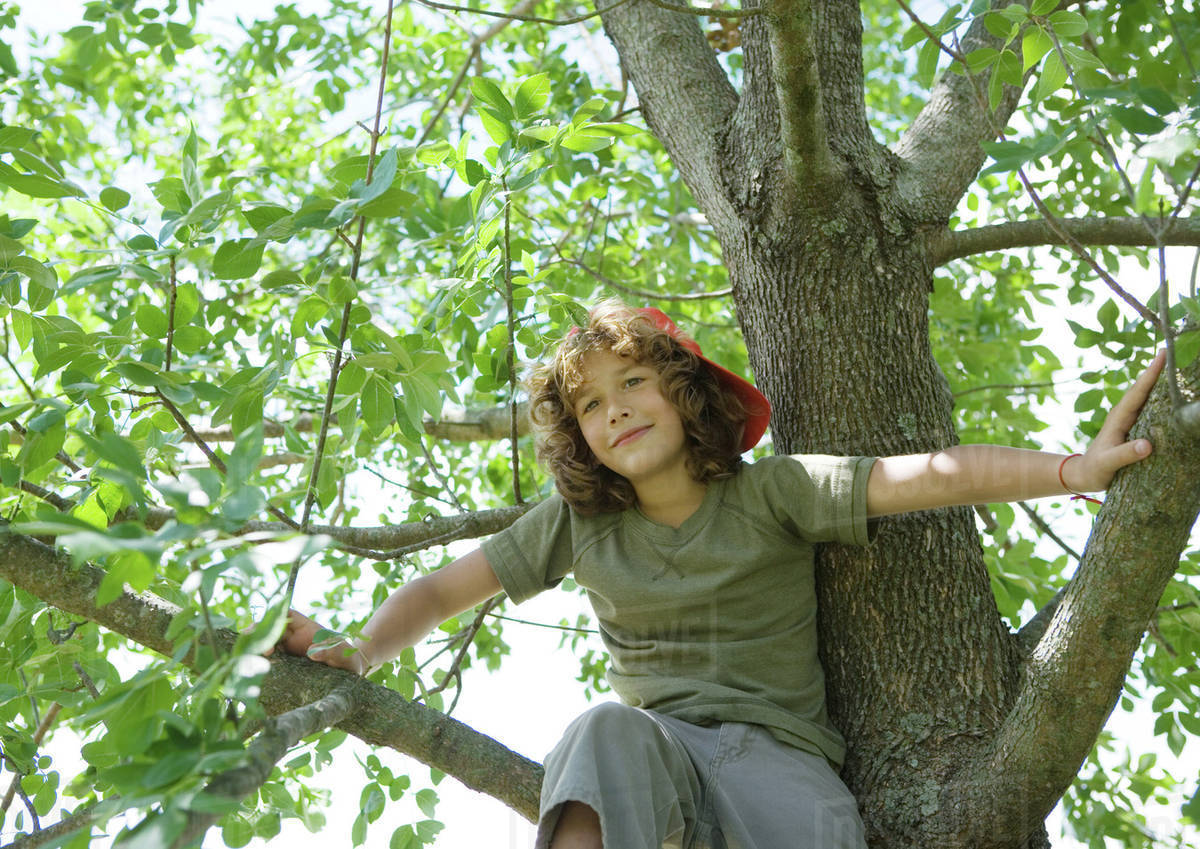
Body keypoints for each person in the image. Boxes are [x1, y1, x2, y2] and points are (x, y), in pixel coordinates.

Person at [276, 301, 1165, 849]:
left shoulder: (773, 490)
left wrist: (1069, 470)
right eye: (590, 403)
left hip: (776, 760)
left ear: (687, 394)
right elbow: (438, 591)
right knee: (598, 732)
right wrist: (360, 649)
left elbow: (936, 473)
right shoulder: (580, 524)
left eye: (632, 382)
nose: (614, 408)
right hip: (655, 761)